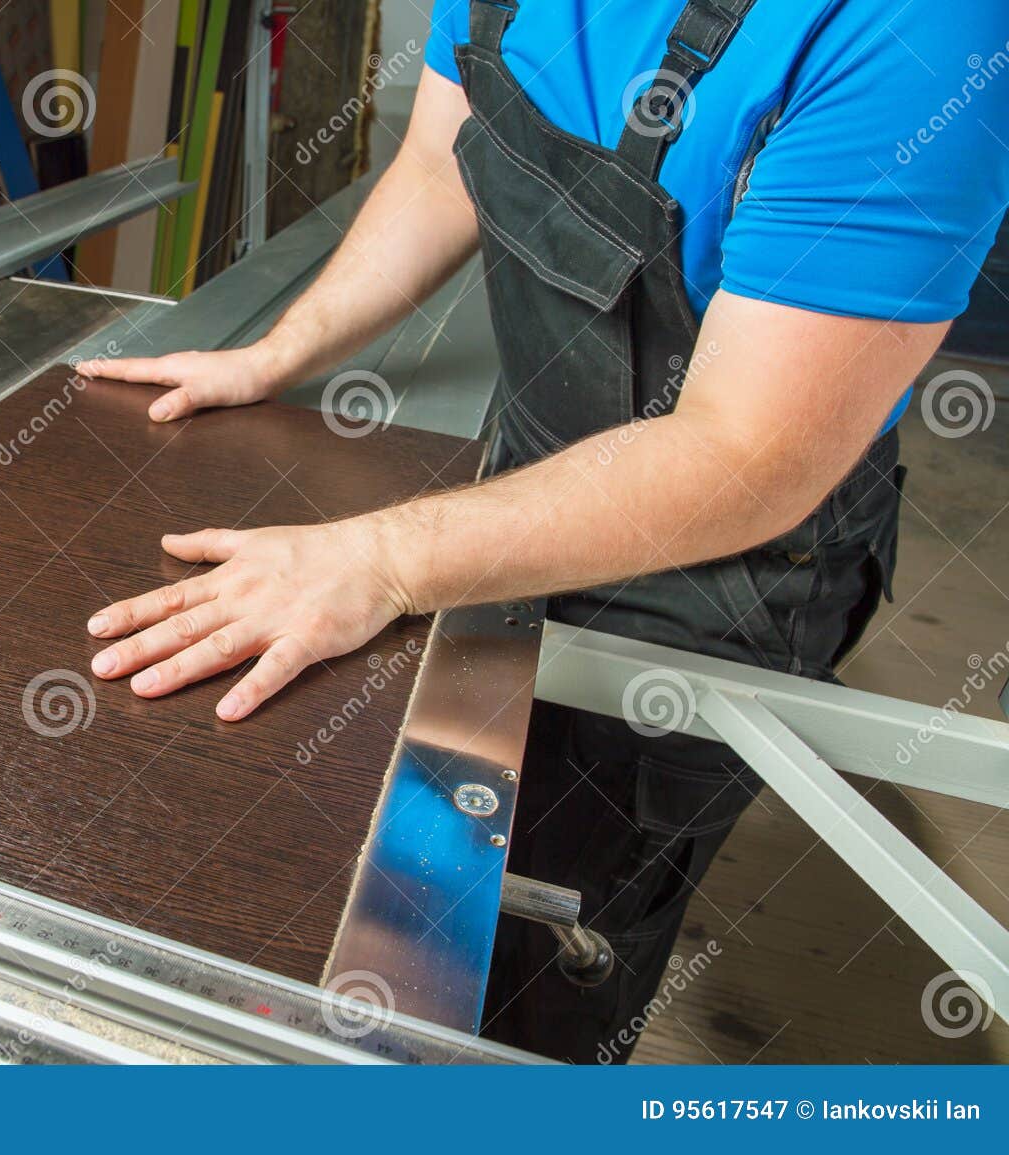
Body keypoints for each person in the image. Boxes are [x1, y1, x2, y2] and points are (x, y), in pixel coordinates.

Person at [73, 0, 1009, 1062]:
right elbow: (438, 167)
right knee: (412, 861)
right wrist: (277, 353)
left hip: (721, 576)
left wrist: (382, 556)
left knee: (545, 946)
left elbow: (749, 459)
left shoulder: (917, 40)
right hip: (526, 463)